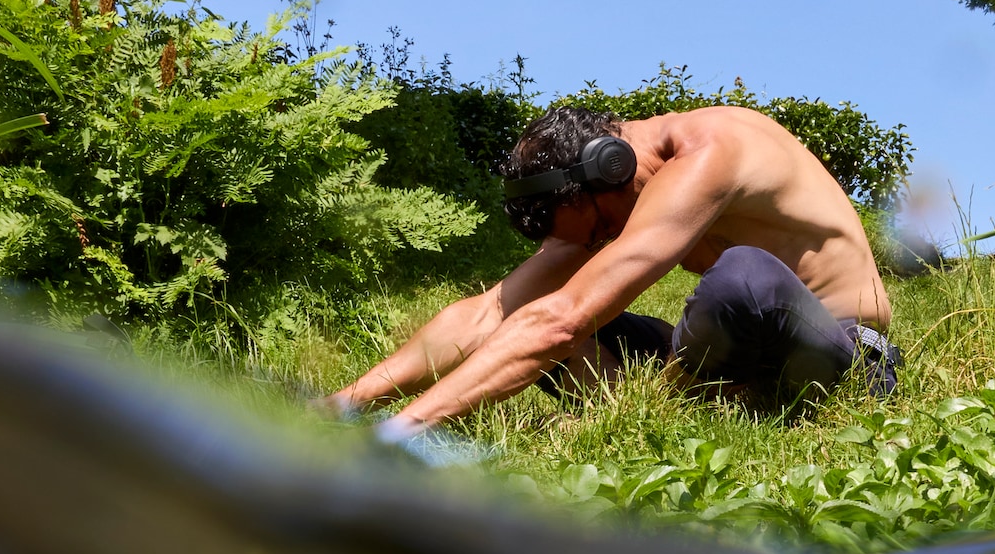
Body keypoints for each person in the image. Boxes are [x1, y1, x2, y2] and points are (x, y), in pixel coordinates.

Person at [331, 103, 900, 438]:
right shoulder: (611, 188)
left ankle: (669, 405)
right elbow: (491, 312)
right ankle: (660, 415)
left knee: (741, 276)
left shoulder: (711, 152)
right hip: (728, 359)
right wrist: (346, 405)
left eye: (603, 228)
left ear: (611, 165)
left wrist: (400, 431)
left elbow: (562, 322)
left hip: (839, 352)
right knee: (532, 317)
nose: (604, 244)